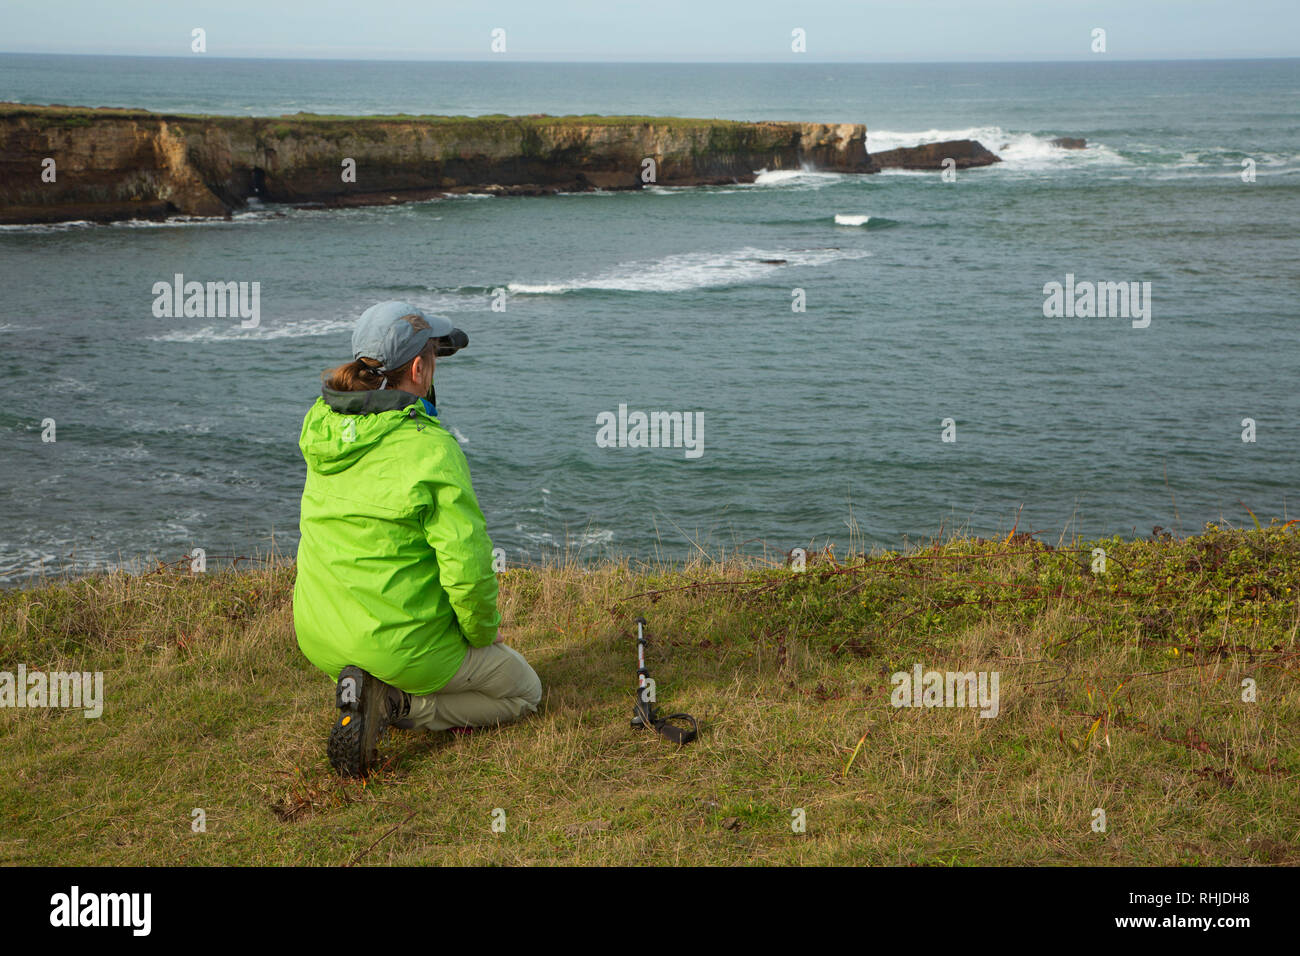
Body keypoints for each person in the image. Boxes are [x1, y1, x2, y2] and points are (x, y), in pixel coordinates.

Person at [292, 300, 542, 777]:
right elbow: (466, 570)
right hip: (399, 647)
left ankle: (368, 684)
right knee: (525, 692)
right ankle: (399, 707)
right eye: (433, 357)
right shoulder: (430, 448)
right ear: (418, 369)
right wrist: (482, 636)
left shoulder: (320, 425)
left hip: (322, 637)